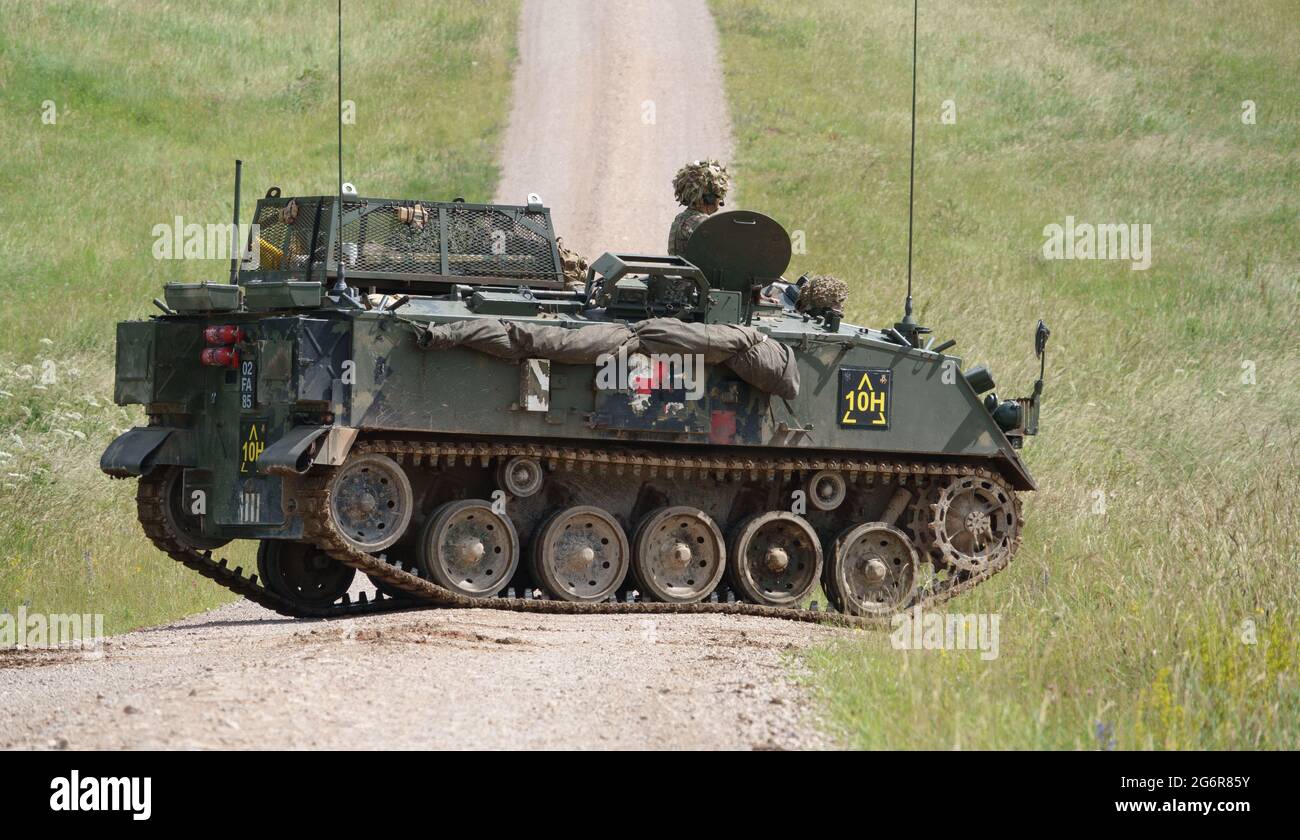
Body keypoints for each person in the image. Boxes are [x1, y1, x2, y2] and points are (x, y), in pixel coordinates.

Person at [667, 159, 731, 256]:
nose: (720, 201)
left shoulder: (680, 219)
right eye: (719, 196)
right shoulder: (704, 225)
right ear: (709, 199)